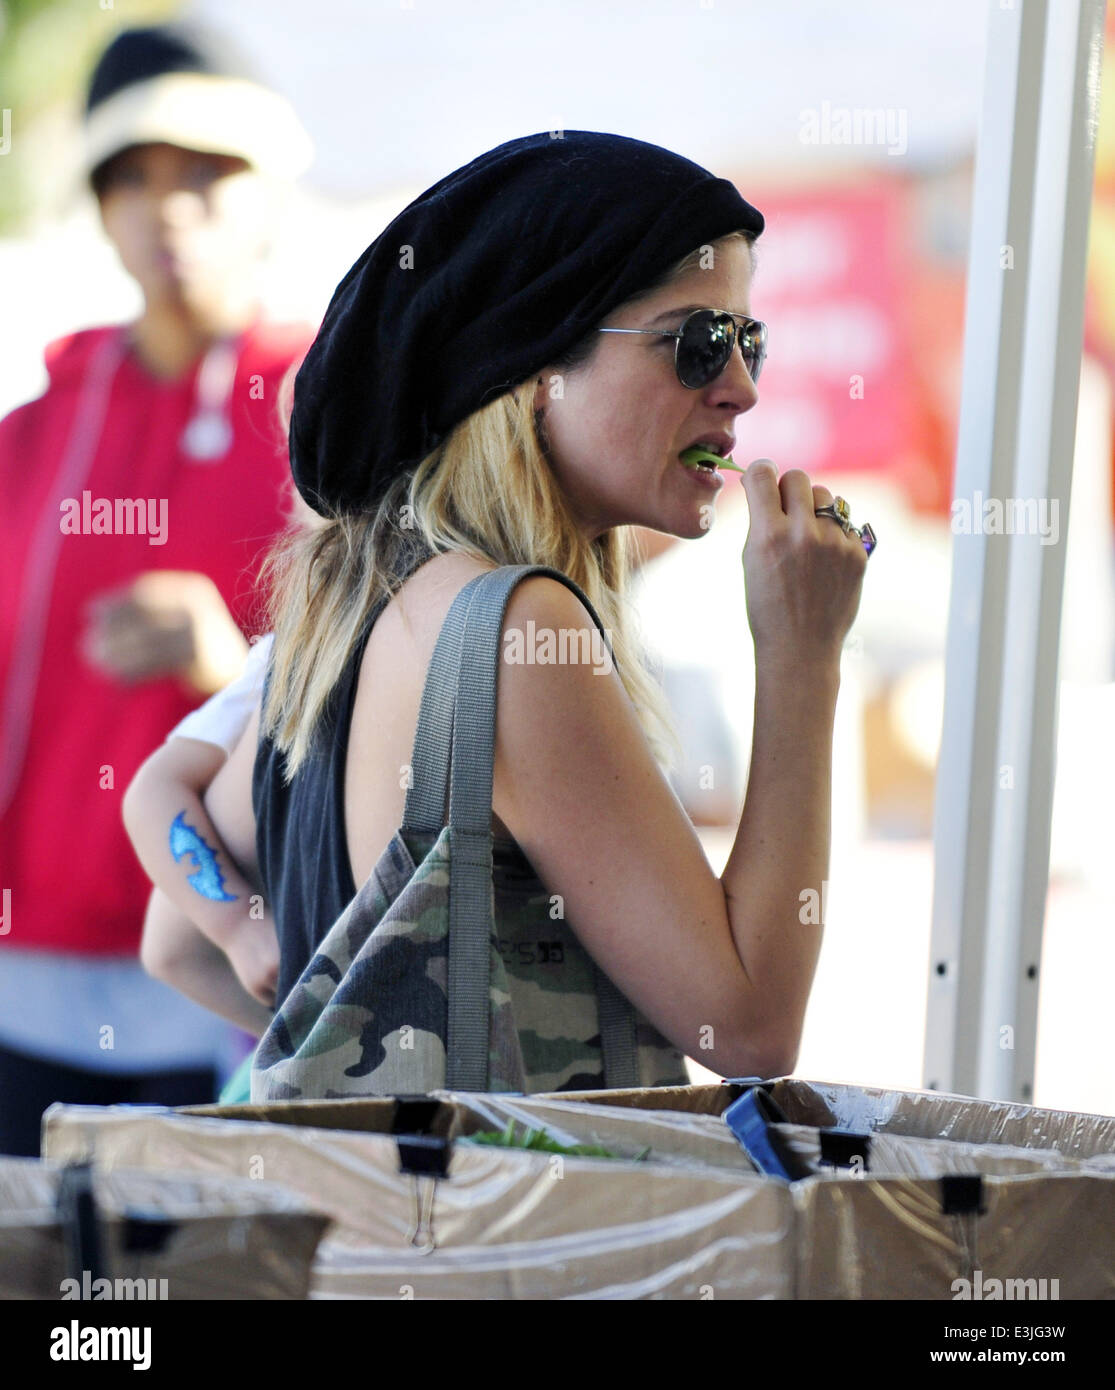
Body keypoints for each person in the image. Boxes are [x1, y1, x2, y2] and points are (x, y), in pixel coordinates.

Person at [198, 130, 873, 1090]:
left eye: (747, 339)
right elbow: (750, 1030)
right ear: (526, 368)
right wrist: (803, 658)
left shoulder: (339, 611)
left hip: (376, 1233)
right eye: (698, 343)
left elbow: (173, 941)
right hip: (502, 1239)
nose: (742, 389)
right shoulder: (517, 634)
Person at [0, 22, 314, 1153]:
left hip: (234, 964)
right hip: (22, 972)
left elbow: (405, 683)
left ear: (273, 191)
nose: (166, 206)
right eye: (129, 176)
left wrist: (230, 667)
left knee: (196, 1287)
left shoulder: (336, 416)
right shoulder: (30, 434)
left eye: (206, 173)